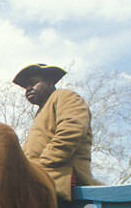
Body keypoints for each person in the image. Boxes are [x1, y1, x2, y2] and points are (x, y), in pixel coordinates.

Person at [13, 63, 100, 201]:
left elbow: (70, 131)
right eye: (25, 87)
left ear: (50, 82)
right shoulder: (41, 113)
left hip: (60, 179)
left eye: (33, 83)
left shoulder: (64, 96)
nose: (28, 89)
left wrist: (40, 168)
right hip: (39, 182)